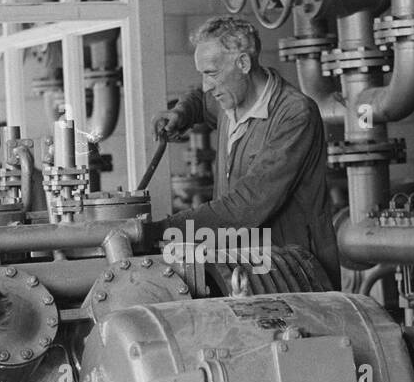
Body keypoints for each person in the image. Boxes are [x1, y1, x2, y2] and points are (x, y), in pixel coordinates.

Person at [145, 17, 340, 287]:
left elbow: (246, 206)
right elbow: (200, 101)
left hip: (294, 274)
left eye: (212, 73)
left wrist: (161, 231)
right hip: (244, 267)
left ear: (244, 64)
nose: (206, 85)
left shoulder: (294, 115)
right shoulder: (230, 99)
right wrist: (181, 113)